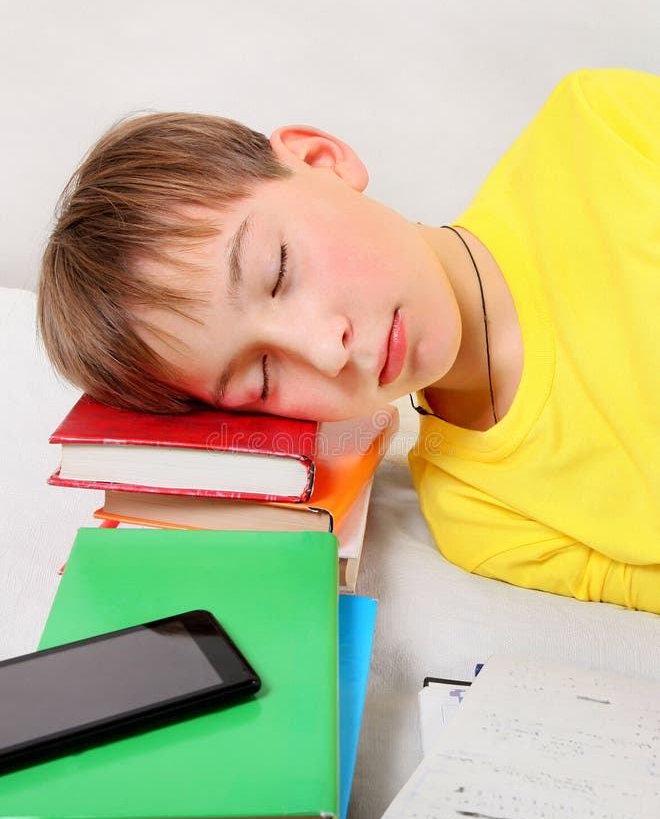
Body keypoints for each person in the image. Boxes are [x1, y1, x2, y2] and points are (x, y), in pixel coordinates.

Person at [38, 68, 660, 612]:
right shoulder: (482, 522)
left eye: (279, 271)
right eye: (262, 376)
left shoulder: (604, 133)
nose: (327, 351)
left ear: (320, 160)